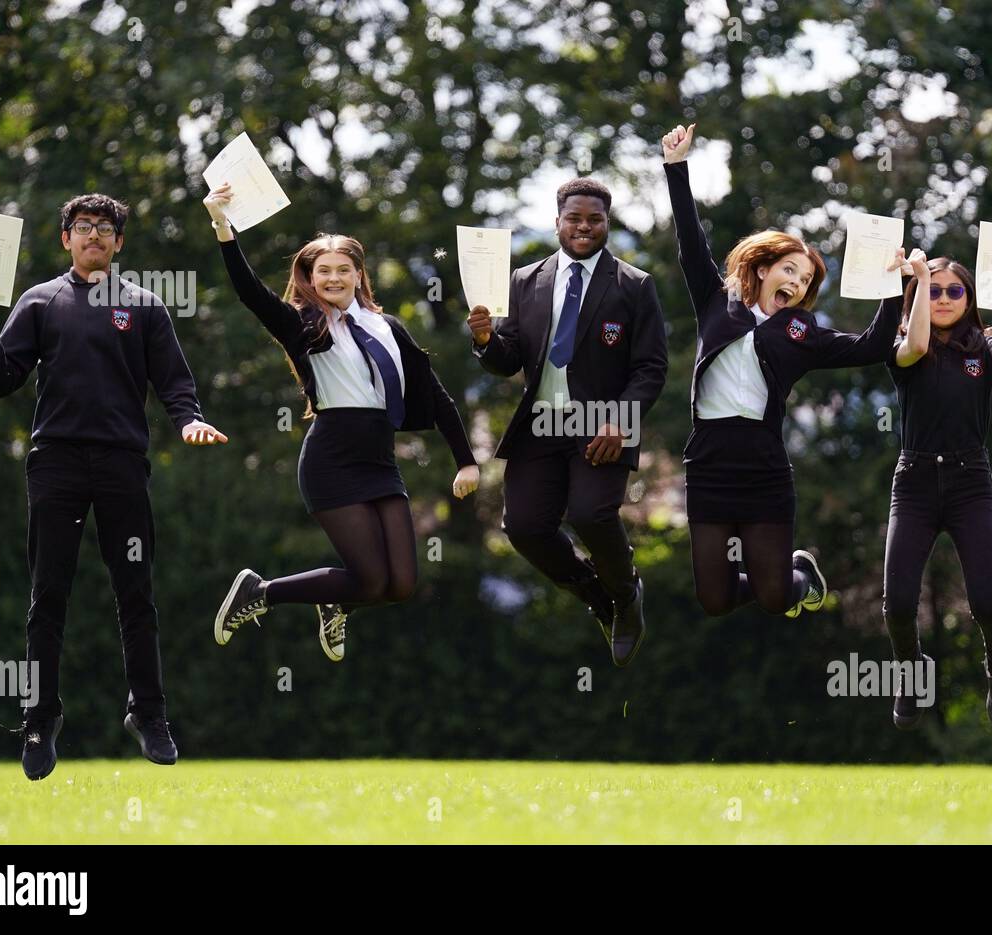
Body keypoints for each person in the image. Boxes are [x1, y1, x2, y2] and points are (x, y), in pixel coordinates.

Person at [0, 193, 227, 781]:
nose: (93, 236)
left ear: (118, 243)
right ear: (66, 239)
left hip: (121, 466)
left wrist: (188, 421)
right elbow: (2, 380)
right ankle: (39, 719)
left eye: (105, 229)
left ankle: (150, 714)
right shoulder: (40, 301)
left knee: (135, 593)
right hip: (55, 463)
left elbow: (175, 385)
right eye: (83, 227)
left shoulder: (143, 307)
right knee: (47, 598)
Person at [205, 184, 479, 664]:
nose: (333, 278)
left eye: (342, 270)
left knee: (401, 585)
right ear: (310, 277)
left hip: (380, 463)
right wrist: (223, 227)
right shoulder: (302, 325)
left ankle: (334, 602)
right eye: (322, 271)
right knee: (371, 578)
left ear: (358, 275)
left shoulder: (388, 327)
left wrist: (466, 461)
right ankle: (260, 591)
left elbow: (435, 395)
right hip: (331, 461)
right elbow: (251, 292)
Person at [661, 123, 900, 621]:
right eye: (789, 269)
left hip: (763, 467)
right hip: (708, 462)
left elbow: (873, 346)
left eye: (806, 278)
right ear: (764, 268)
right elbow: (689, 242)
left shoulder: (802, 333)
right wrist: (677, 168)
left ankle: (797, 575)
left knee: (774, 596)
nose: (796, 280)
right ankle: (776, 573)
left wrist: (893, 288)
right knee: (715, 599)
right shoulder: (716, 301)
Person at [465, 178, 667, 667]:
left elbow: (651, 367)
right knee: (525, 527)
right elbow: (508, 360)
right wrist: (488, 340)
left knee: (590, 515)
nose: (583, 227)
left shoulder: (634, 285)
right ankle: (599, 599)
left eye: (594, 219)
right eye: (574, 218)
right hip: (540, 424)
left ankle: (627, 594)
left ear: (606, 224)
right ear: (558, 221)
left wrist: (620, 420)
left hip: (603, 423)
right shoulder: (523, 281)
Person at [882, 251, 992, 731]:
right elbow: (914, 345)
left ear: (969, 299)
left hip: (971, 484)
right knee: (900, 602)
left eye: (954, 290)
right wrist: (920, 278)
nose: (944, 297)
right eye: (933, 290)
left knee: (988, 603)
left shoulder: (982, 348)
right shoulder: (902, 344)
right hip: (915, 484)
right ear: (917, 297)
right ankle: (910, 675)